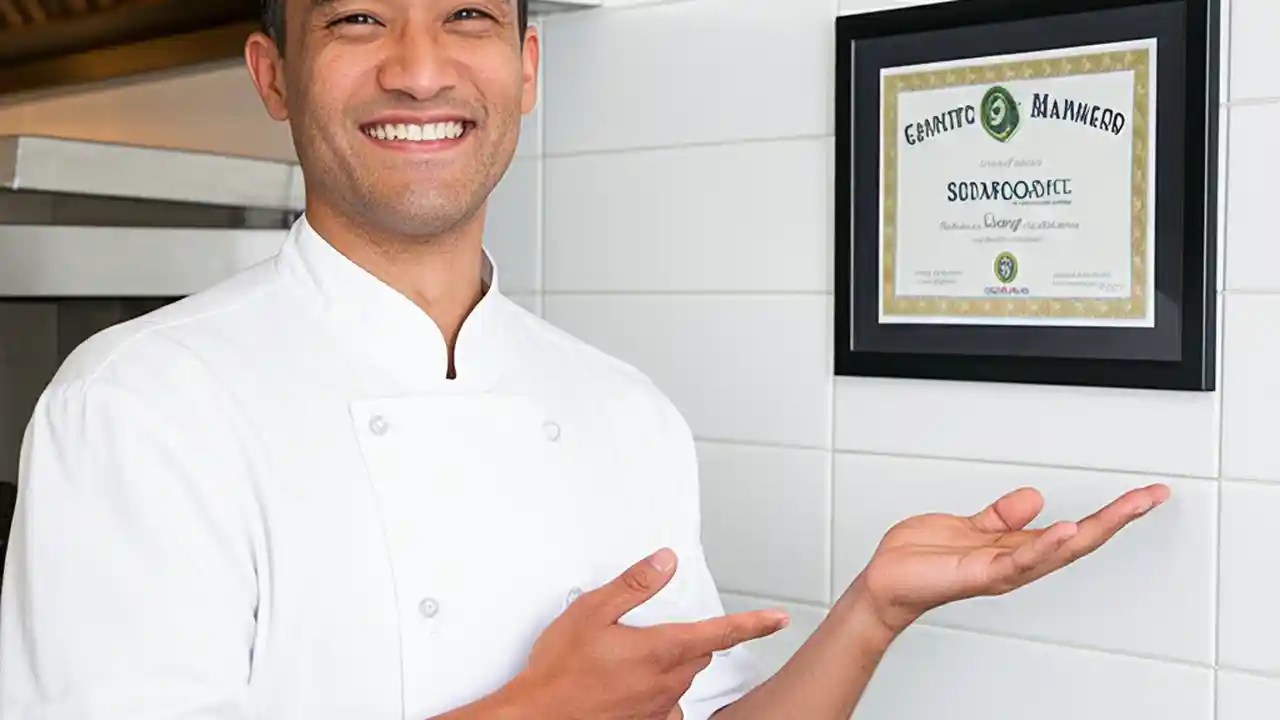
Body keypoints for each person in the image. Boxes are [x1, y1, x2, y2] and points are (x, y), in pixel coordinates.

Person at [0, 1, 1170, 718]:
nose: (417, 68)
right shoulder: (141, 406)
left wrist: (870, 612)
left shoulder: (621, 409)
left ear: (526, 69)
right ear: (273, 75)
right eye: (356, 20)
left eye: (465, 17)